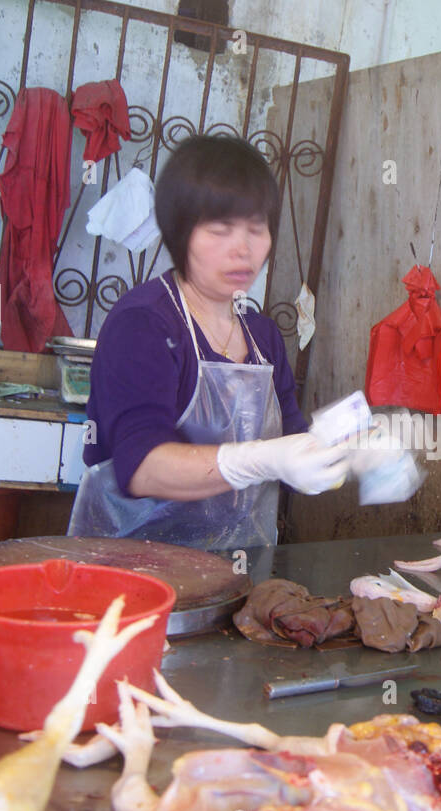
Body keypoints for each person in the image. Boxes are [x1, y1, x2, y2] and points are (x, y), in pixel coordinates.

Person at [68, 135, 346, 549]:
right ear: (180, 234)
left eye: (257, 229)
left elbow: (293, 442)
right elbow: (141, 466)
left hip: (237, 574)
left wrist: (351, 449)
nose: (243, 249)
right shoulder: (144, 324)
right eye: (220, 230)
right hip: (129, 571)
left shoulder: (264, 337)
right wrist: (262, 459)